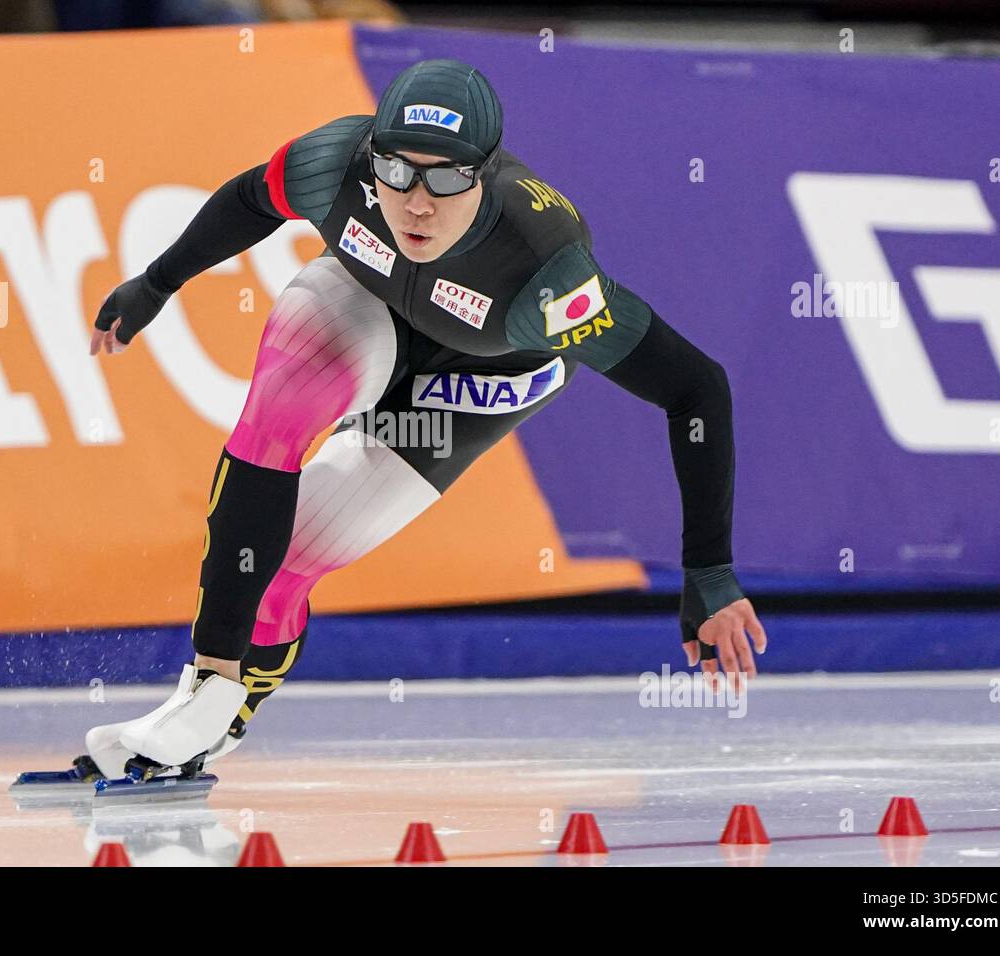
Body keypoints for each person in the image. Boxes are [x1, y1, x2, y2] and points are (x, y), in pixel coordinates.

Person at [81, 59, 767, 780]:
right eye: (398, 171)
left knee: (290, 560)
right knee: (274, 418)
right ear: (371, 155)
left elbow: (696, 389)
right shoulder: (334, 163)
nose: (416, 203)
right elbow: (252, 199)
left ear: (485, 176)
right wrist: (157, 282)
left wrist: (710, 572)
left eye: (446, 179)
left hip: (478, 377)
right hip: (368, 303)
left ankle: (223, 722)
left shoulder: (548, 276)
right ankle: (209, 684)